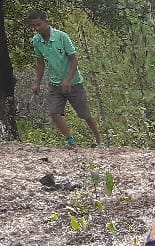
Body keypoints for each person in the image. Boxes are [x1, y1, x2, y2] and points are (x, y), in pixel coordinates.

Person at [27, 10, 103, 148]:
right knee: (54, 112)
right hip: (54, 83)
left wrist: (68, 80)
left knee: (84, 114)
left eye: (39, 24)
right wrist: (37, 83)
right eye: (34, 26)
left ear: (46, 22)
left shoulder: (62, 37)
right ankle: (70, 141)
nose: (37, 29)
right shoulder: (36, 41)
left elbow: (74, 59)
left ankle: (99, 141)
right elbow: (40, 63)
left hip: (73, 82)